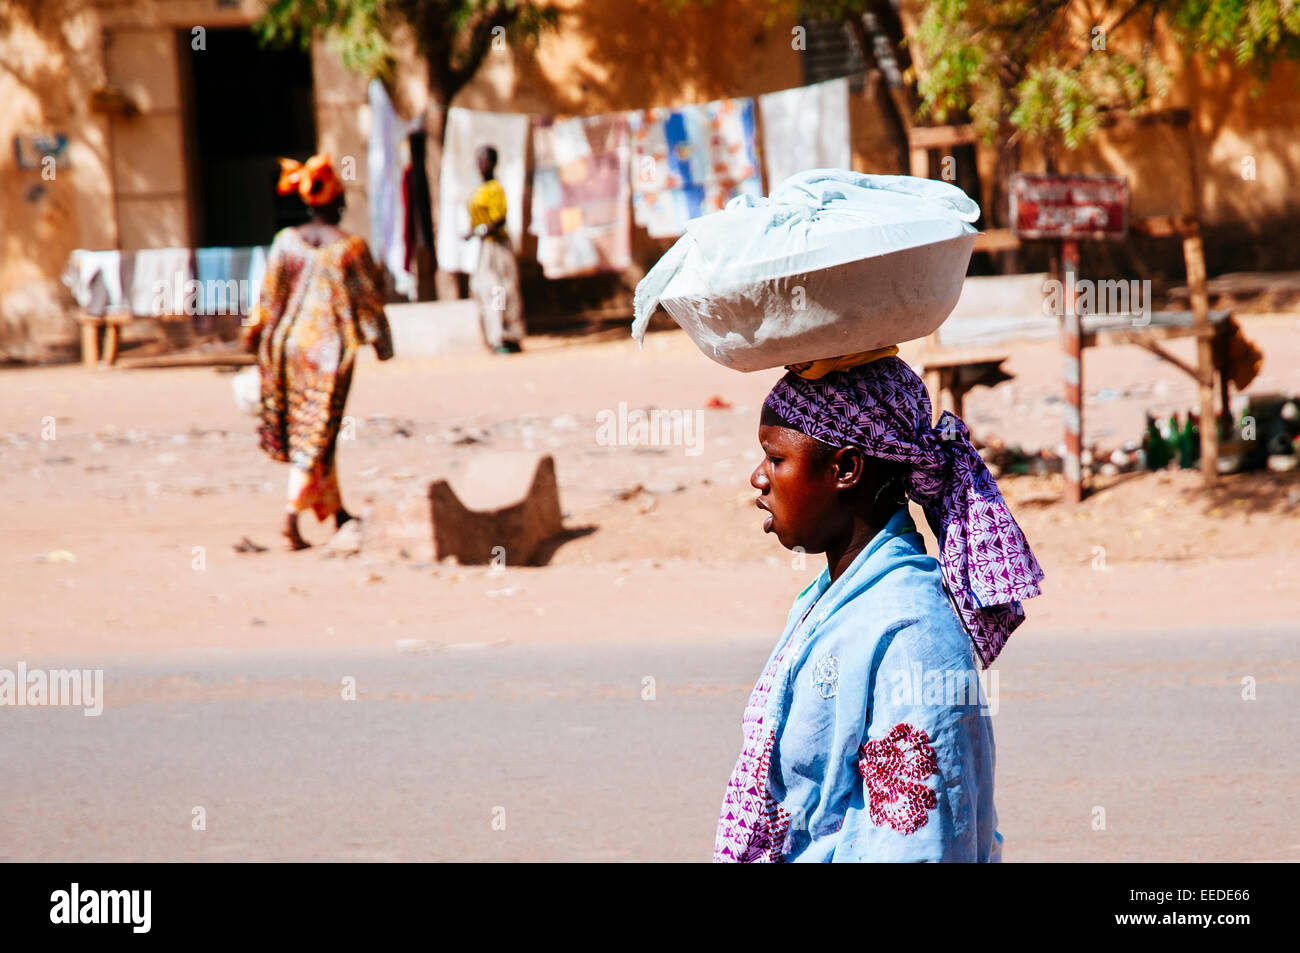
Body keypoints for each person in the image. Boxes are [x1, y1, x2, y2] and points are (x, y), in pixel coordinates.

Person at [714, 351, 1044, 862]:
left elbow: (921, 844)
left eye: (776, 459)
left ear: (845, 468)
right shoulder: (828, 602)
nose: (759, 478)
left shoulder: (910, 635)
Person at [242, 153, 394, 551]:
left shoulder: (285, 243)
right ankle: (290, 519)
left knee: (314, 432)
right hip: (329, 354)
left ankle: (338, 512)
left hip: (288, 349)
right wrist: (382, 343)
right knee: (318, 433)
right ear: (337, 202)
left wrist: (253, 335)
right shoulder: (350, 247)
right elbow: (369, 300)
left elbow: (268, 298)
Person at [464, 145, 525, 354]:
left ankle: (509, 335)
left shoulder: (495, 189)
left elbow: (499, 220)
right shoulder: (478, 191)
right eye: (479, 160)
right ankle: (494, 335)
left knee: (502, 290)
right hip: (484, 249)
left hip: (498, 248)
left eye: (486, 160)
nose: (482, 164)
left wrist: (478, 231)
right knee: (485, 291)